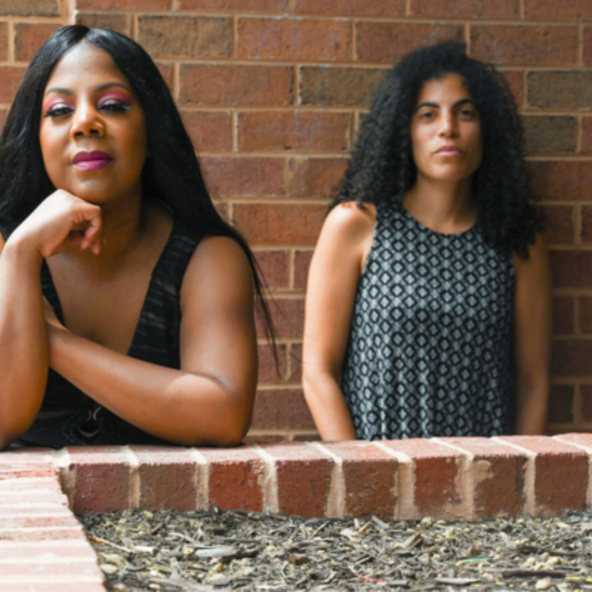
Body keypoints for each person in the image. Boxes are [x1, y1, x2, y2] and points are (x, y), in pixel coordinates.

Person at [0, 25, 271, 449]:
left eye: (111, 105)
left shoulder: (206, 257)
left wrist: (51, 338)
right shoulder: (5, 246)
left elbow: (223, 415)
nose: (85, 122)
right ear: (37, 140)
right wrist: (19, 255)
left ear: (150, 134)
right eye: (58, 111)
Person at [302, 41, 550, 441]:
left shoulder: (516, 241)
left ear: (487, 129)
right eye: (427, 114)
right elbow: (317, 373)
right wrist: (363, 480)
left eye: (465, 112)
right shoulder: (356, 224)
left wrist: (521, 487)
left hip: (484, 485)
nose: (447, 128)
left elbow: (533, 385)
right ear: (405, 129)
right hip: (378, 484)